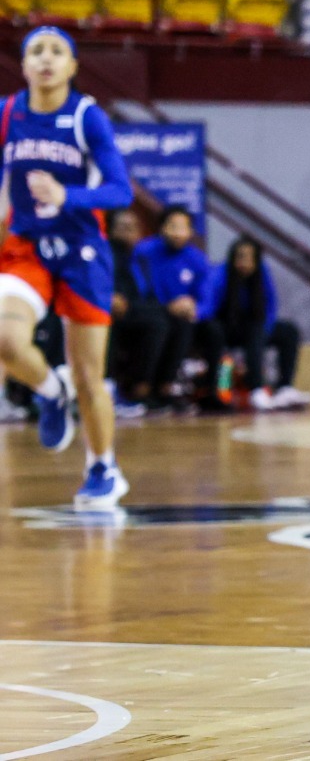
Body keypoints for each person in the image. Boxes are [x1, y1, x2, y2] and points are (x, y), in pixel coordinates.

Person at [0, 26, 135, 507]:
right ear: (23, 64)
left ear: (73, 67)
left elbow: (121, 191)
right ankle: (47, 389)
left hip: (81, 248)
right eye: (36, 50)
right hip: (26, 247)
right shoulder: (8, 113)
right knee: (6, 340)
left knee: (88, 374)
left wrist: (67, 196)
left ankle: (103, 466)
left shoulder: (86, 117)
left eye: (58, 51)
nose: (46, 59)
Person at [197, 236, 306, 412]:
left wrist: (265, 330)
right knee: (248, 331)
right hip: (226, 329)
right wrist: (196, 314)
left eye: (250, 258)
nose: (245, 262)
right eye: (240, 257)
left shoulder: (263, 273)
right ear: (232, 257)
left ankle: (285, 387)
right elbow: (208, 305)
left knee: (288, 331)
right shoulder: (220, 274)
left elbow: (270, 307)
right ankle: (255, 388)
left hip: (254, 329)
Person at [132, 205, 210, 412]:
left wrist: (195, 309)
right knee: (159, 324)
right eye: (172, 226)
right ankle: (141, 388)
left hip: (180, 315)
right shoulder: (144, 252)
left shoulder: (197, 259)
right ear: (162, 228)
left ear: (191, 231)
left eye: (183, 227)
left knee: (191, 326)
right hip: (147, 309)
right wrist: (167, 306)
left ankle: (168, 389)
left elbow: (206, 299)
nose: (177, 233)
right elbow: (139, 289)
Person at [104, 208, 165, 412]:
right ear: (111, 231)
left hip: (136, 308)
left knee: (166, 320)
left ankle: (154, 387)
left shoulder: (141, 257)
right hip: (110, 309)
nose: (128, 233)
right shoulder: (109, 252)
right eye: (123, 228)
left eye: (133, 228)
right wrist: (110, 296)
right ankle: (111, 388)